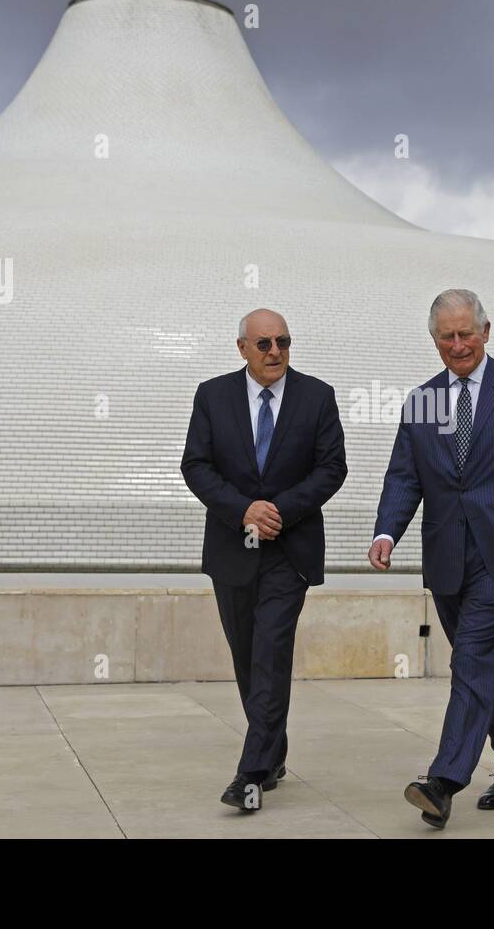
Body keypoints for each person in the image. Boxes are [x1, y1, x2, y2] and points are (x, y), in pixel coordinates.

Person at [368, 289, 494, 829]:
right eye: (446, 337)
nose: (458, 345)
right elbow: (405, 476)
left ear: (486, 330)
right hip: (448, 556)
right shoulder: (423, 401)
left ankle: (444, 780)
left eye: (466, 333)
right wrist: (387, 531)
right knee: (483, 664)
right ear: (434, 340)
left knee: (471, 659)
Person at [181, 308, 347, 812]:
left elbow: (332, 467)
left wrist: (278, 512)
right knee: (247, 657)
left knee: (271, 654)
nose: (275, 352)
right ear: (242, 348)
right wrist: (242, 511)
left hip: (287, 552)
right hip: (233, 549)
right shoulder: (212, 396)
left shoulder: (317, 396)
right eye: (264, 344)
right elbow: (196, 465)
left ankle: (251, 773)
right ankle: (272, 750)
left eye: (283, 342)